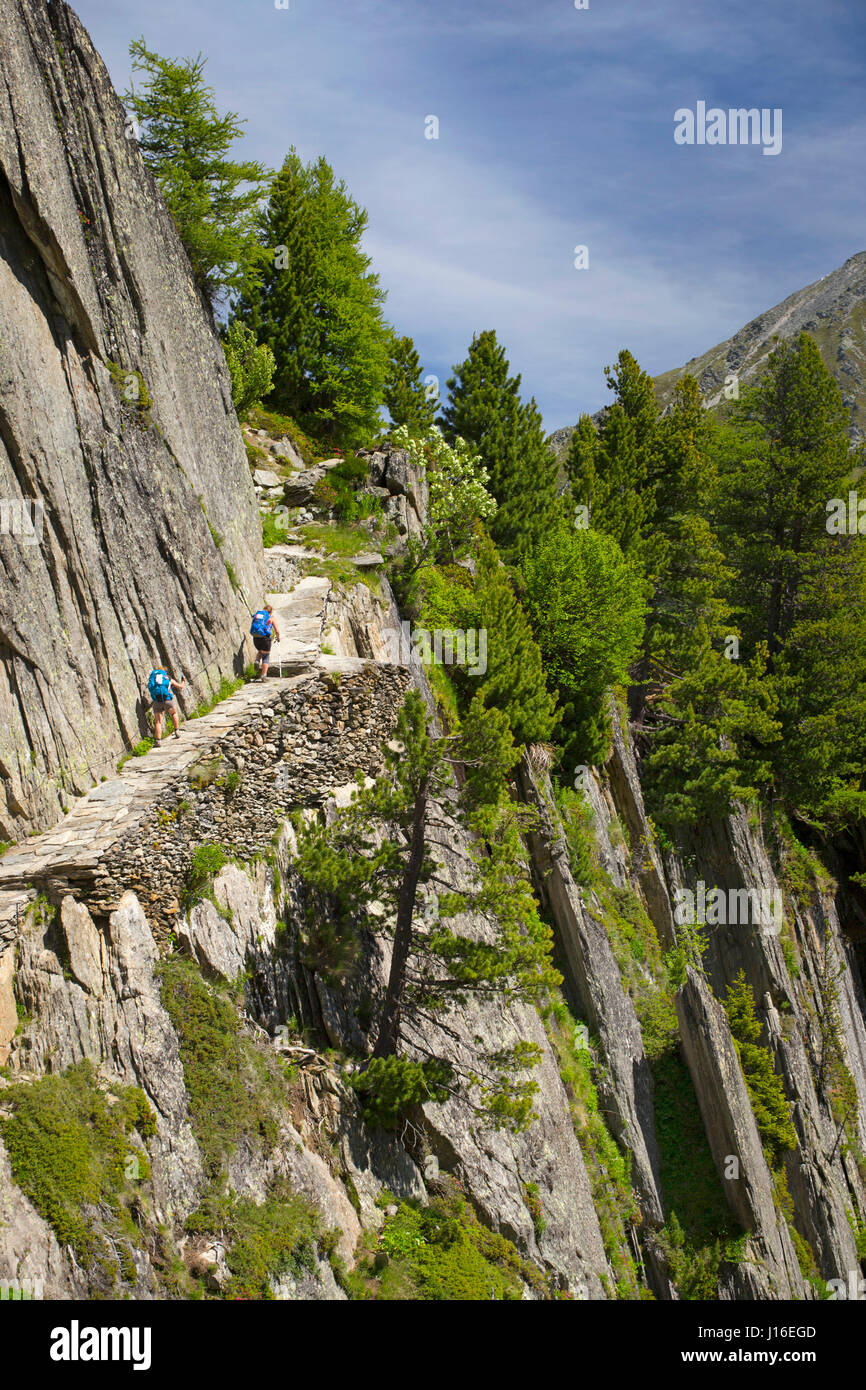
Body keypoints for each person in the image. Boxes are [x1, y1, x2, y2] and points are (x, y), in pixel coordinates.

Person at [147, 667, 186, 740]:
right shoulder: (168, 678)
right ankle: (177, 731)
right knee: (173, 713)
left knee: (158, 722)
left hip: (157, 701)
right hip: (167, 700)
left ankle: (158, 740)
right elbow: (180, 687)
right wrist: (183, 681)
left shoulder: (153, 678)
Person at [250, 604, 280, 679]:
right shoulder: (271, 618)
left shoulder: (257, 616)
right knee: (266, 657)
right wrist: (278, 637)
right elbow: (277, 631)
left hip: (255, 638)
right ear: (271, 612)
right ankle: (263, 676)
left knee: (261, 651)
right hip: (265, 639)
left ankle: (257, 660)